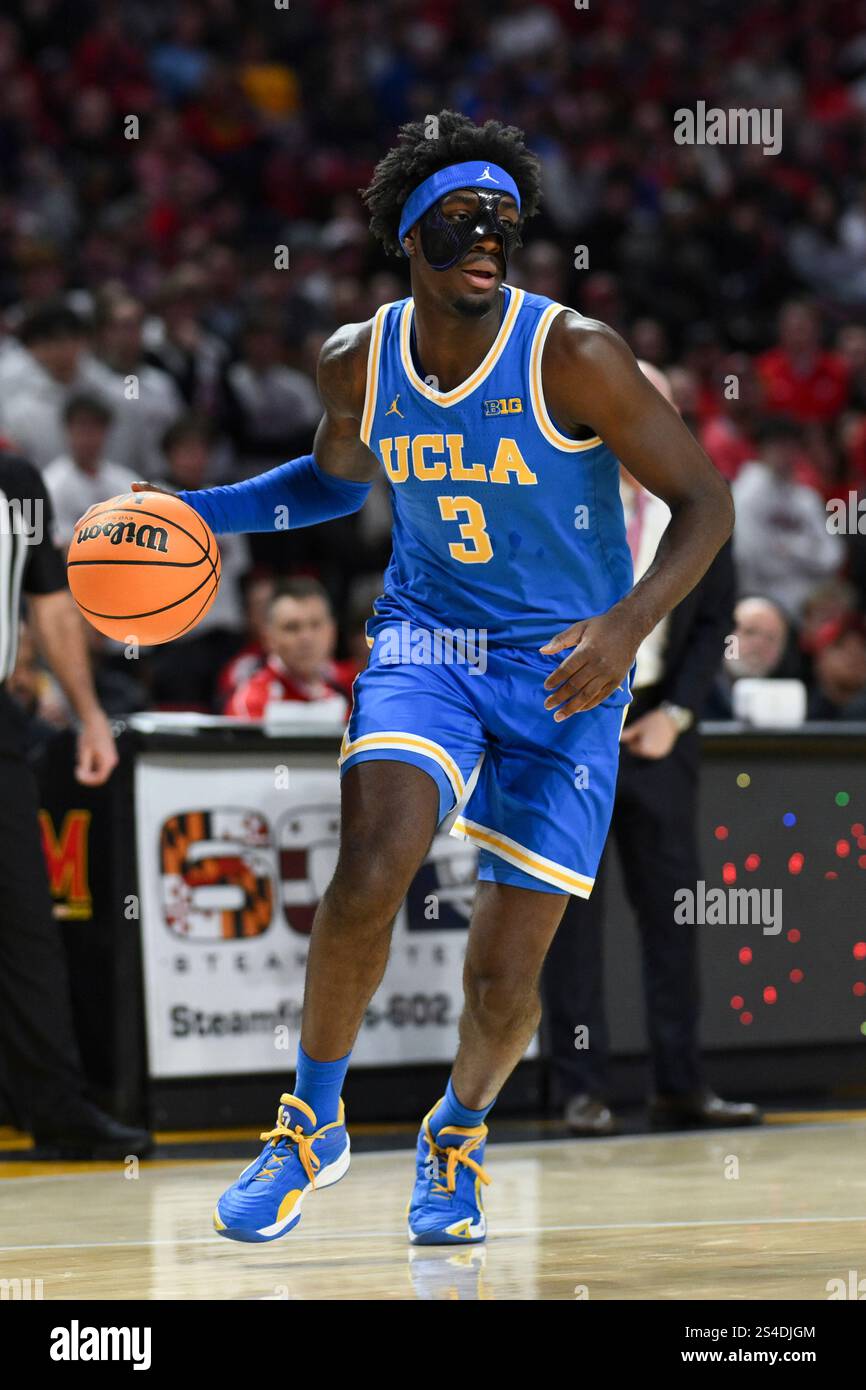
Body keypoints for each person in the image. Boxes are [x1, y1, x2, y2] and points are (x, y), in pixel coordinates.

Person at [132, 111, 732, 1245]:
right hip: (427, 644)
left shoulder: (576, 354)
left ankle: (453, 1134)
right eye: (464, 218)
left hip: (567, 669)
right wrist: (198, 514)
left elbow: (707, 502)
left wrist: (623, 627)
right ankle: (308, 1123)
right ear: (410, 233)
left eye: (506, 220)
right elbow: (330, 482)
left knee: (506, 978)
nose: (489, 238)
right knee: (370, 860)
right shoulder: (355, 360)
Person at [541, 362, 759, 1136]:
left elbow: (713, 627)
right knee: (569, 918)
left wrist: (679, 716)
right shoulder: (554, 486)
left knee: (673, 916)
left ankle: (681, 1083)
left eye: (662, 402)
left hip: (657, 734)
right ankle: (580, 1088)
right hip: (567, 732)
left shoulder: (697, 501)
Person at [0, 448, 151, 1158]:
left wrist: (89, 713)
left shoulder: (18, 483)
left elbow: (50, 600)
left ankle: (56, 1111)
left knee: (26, 925)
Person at [226, 578, 352, 719]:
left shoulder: (350, 693)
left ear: (332, 632)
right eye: (292, 627)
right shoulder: (251, 702)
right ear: (269, 638)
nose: (306, 638)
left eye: (315, 625)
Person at [43, 392, 135, 546]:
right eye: (82, 428)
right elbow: (58, 545)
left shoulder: (126, 481)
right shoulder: (52, 483)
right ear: (68, 430)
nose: (88, 437)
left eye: (95, 429)